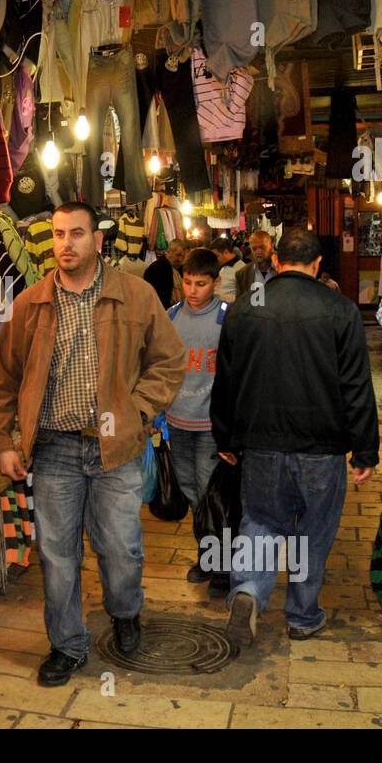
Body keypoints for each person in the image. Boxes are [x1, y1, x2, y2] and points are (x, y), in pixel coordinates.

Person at [0, 201, 186, 686]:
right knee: (57, 554)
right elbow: (3, 377)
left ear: (98, 240)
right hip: (53, 448)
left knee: (121, 550)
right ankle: (68, 646)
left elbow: (171, 361)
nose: (65, 244)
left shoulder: (134, 296)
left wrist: (137, 410)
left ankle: (125, 610)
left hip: (115, 446)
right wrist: (2, 440)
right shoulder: (31, 302)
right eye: (57, 234)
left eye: (76, 234)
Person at [210, 227, 379, 647]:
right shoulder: (339, 309)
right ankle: (302, 616)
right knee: (314, 531)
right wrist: (366, 450)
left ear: (277, 262)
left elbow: (226, 379)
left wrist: (226, 437)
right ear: (318, 265)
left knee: (262, 521)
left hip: (262, 445)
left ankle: (248, 591)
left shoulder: (246, 308)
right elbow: (357, 385)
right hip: (322, 449)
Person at [164, 248, 229, 583]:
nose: (192, 290)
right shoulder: (171, 316)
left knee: (210, 492)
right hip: (177, 422)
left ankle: (221, 566)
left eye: (201, 283)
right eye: (187, 282)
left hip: (210, 426)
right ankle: (206, 557)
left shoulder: (228, 318)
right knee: (190, 491)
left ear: (216, 283)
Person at [234, 230, 277, 300]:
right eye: (254, 249)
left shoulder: (282, 269)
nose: (258, 252)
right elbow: (240, 305)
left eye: (262, 247)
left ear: (271, 246)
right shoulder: (242, 274)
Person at [143, 240, 186, 308]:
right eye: (178, 255)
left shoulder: (180, 269)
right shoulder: (156, 269)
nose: (180, 259)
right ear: (169, 252)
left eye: (183, 256)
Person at [210, 237, 246, 302]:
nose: (214, 260)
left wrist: (221, 297)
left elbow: (245, 296)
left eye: (217, 256)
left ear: (226, 252)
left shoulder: (242, 269)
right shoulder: (219, 266)